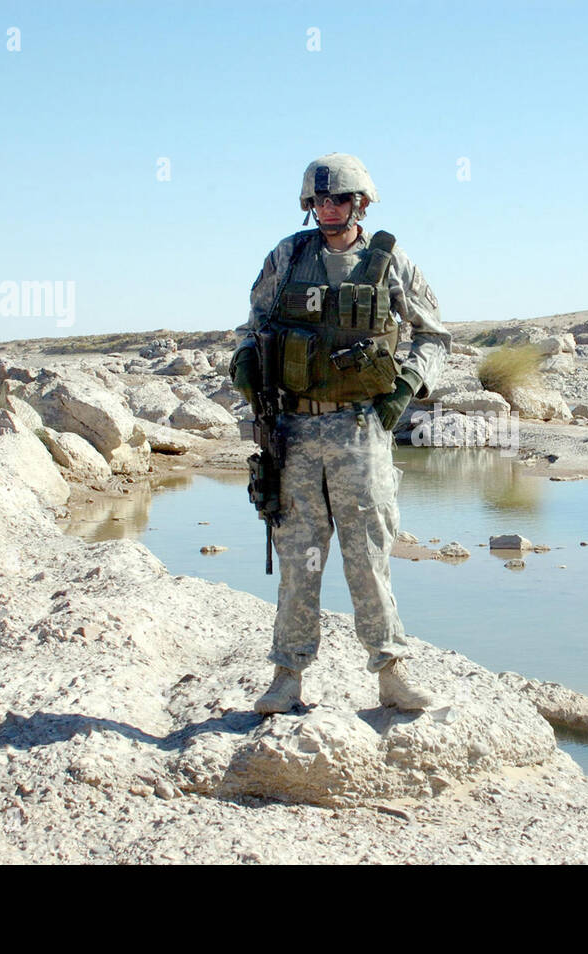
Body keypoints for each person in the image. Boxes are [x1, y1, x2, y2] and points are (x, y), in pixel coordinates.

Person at [232, 153, 451, 715]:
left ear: (361, 203)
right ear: (310, 205)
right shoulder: (288, 255)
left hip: (360, 429)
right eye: (320, 200)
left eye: (340, 200)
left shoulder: (389, 260)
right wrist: (244, 362)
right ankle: (287, 676)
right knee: (299, 557)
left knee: (368, 556)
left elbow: (434, 336)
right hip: (294, 429)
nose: (329, 209)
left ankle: (391, 673)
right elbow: (252, 325)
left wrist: (406, 387)